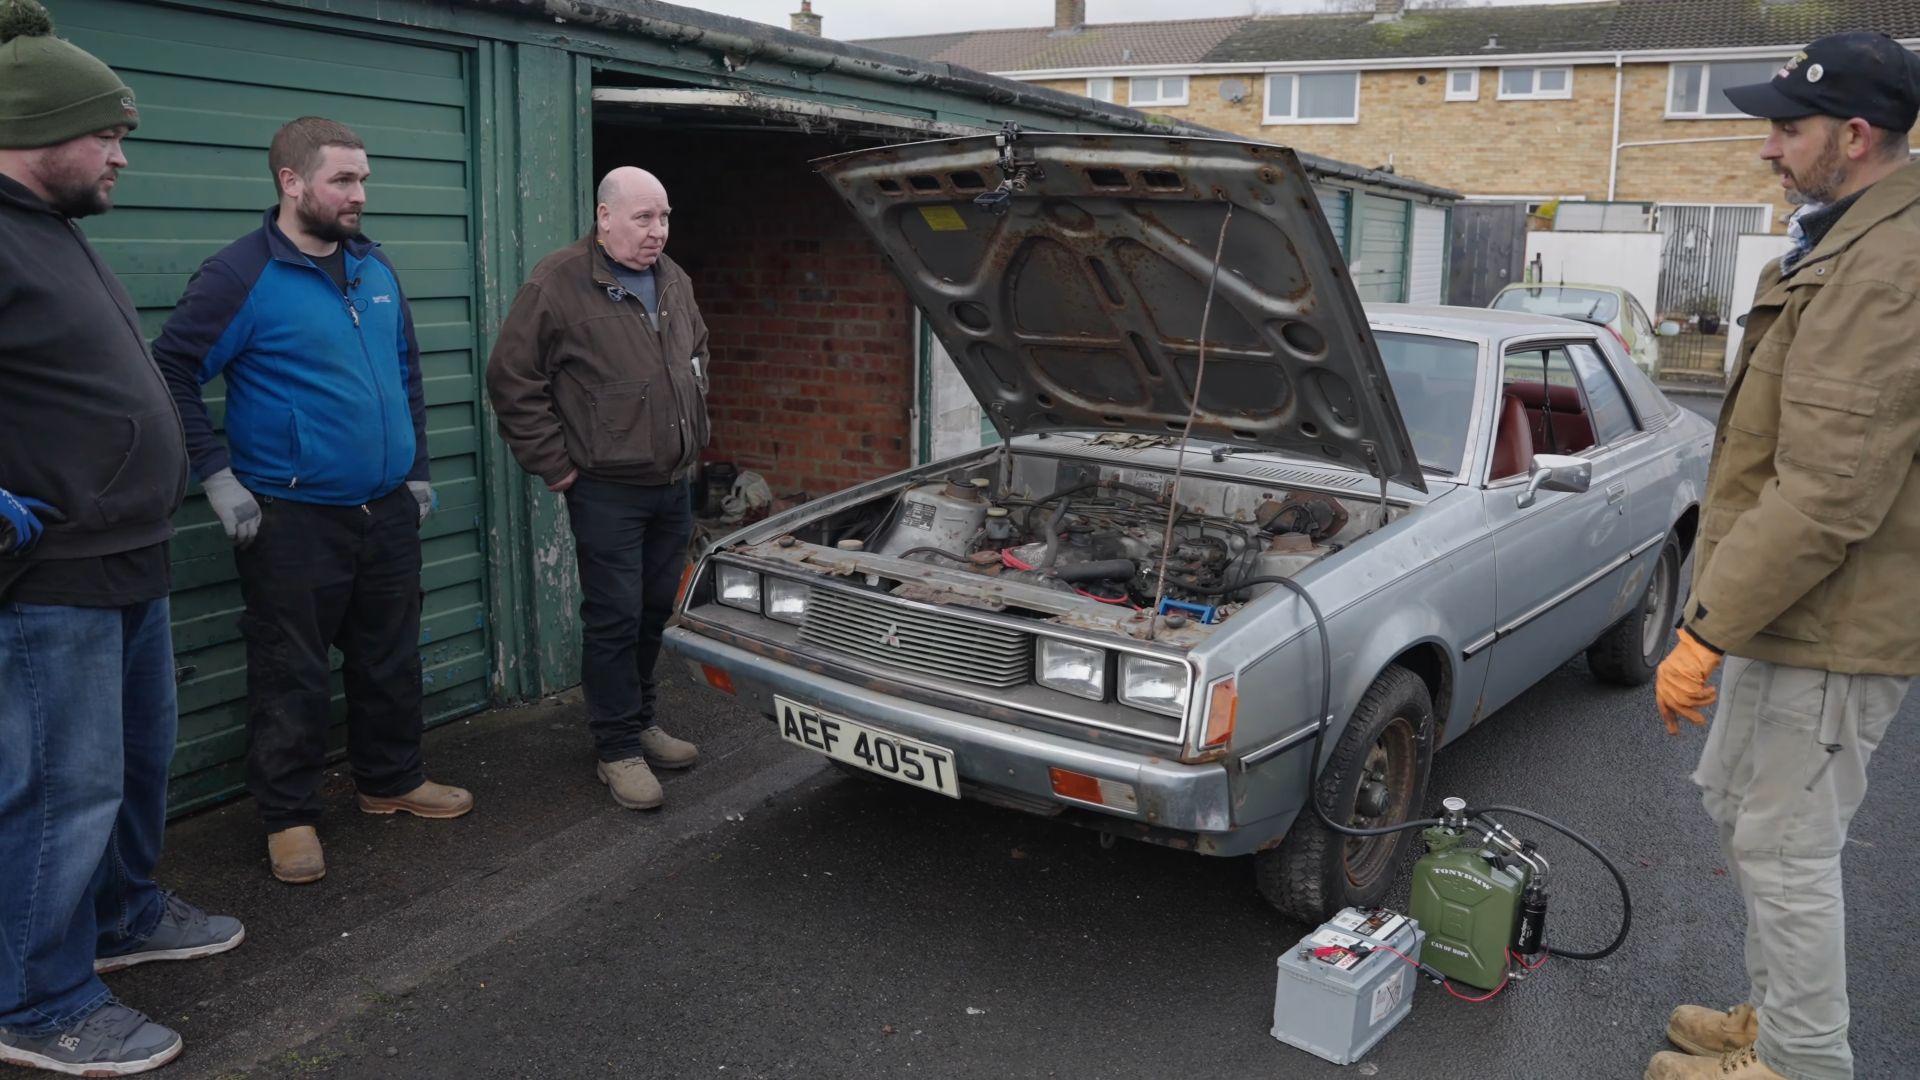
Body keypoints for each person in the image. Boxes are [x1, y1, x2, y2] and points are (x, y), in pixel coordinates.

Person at [1649, 31, 1920, 1080]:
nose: (1768, 148)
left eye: (1788, 127)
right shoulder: (1833, 240)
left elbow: (1826, 495)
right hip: (1783, 611)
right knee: (1738, 813)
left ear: (1854, 138)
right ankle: (1771, 1016)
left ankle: (1803, 1063)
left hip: (1832, 624)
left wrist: (1704, 631)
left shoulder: (1889, 271)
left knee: (1789, 853)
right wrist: (1719, 617)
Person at [0, 1, 244, 1073]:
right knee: (61, 789)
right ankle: (36, 1003)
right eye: (107, 134)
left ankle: (122, 917)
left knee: (137, 763)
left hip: (127, 557)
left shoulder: (52, 234)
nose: (120, 155)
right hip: (51, 575)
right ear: (35, 127)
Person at [152, 116, 471, 886]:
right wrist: (218, 476)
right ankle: (288, 816)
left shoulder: (374, 267)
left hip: (386, 508)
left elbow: (407, 375)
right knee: (289, 671)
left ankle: (390, 779)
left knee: (388, 655)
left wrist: (417, 468)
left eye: (364, 178)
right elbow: (169, 372)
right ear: (291, 182)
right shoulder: (240, 276)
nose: (360, 194)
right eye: (343, 180)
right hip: (292, 518)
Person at [486, 167, 708, 811]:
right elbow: (512, 378)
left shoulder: (674, 279)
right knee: (612, 616)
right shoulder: (559, 282)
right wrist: (555, 465)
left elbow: (696, 354)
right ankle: (615, 749)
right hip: (606, 488)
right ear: (605, 217)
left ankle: (639, 720)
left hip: (671, 482)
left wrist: (693, 430)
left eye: (664, 218)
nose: (657, 231)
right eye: (643, 218)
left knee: (649, 611)